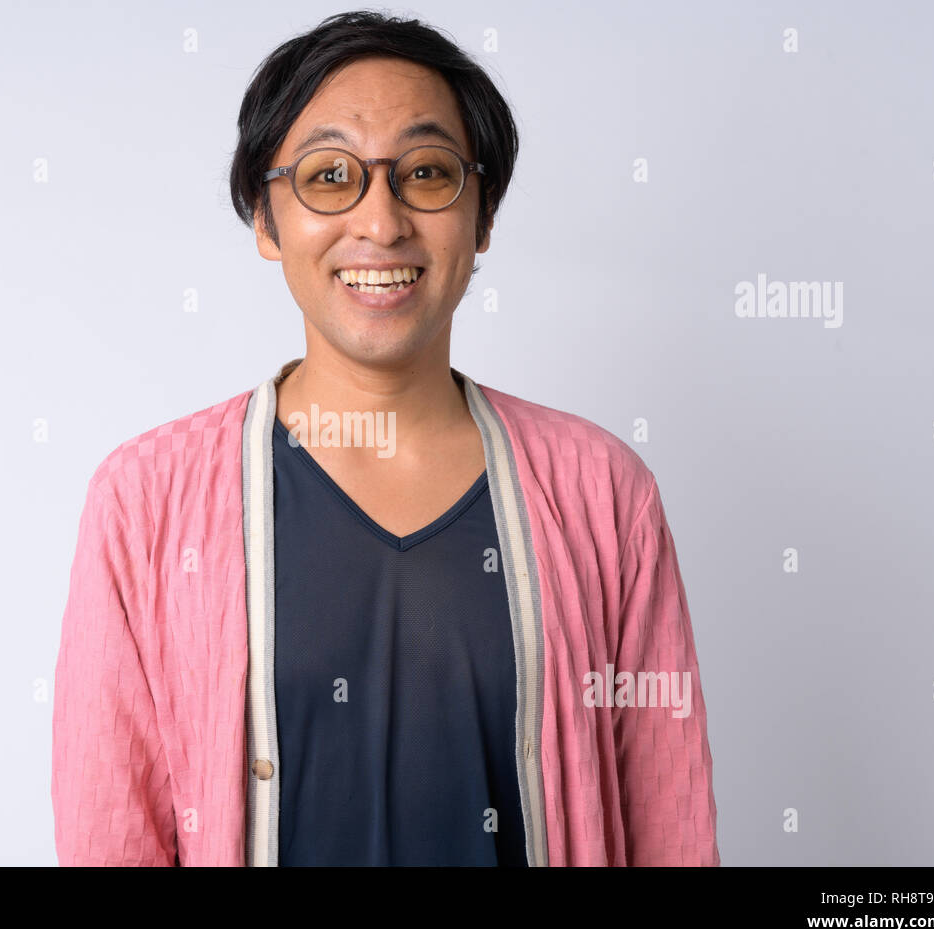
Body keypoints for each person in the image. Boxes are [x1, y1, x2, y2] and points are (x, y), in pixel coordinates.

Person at [52, 10, 719, 866]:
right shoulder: (145, 501)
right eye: (330, 176)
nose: (381, 219)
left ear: (481, 222)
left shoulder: (603, 493)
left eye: (427, 172)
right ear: (266, 219)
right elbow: (111, 830)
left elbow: (670, 830)